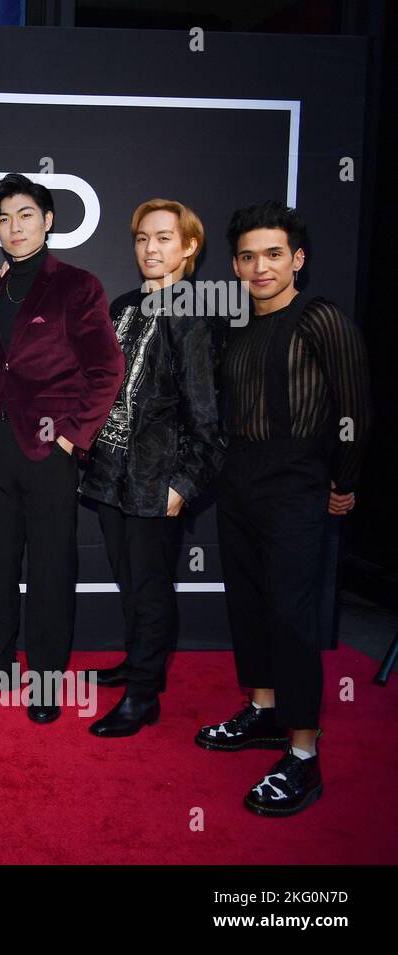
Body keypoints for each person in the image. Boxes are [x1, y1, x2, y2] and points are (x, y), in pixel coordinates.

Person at [195, 201, 370, 816]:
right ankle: (265, 712)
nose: (260, 266)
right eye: (248, 256)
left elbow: (354, 412)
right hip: (239, 481)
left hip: (298, 485)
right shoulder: (238, 328)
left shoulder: (321, 319)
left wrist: (341, 481)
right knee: (247, 602)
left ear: (297, 259)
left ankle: (303, 755)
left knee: (293, 618)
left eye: (273, 254)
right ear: (237, 265)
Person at [0, 173, 124, 723]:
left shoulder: (78, 285)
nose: (14, 227)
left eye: (25, 215)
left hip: (51, 447)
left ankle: (47, 682)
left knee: (51, 569)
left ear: (49, 221)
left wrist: (74, 439)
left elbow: (107, 370)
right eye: (4, 219)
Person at [79, 199, 225, 737]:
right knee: (129, 580)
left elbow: (210, 422)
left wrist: (180, 486)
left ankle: (144, 696)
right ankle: (137, 660)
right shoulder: (123, 306)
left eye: (164, 238)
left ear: (189, 248)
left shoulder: (195, 319)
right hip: (111, 475)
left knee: (151, 587)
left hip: (155, 481)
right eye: (143, 238)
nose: (150, 249)